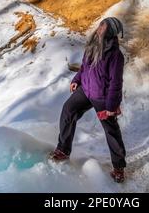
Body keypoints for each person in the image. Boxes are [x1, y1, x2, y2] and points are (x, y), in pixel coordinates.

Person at [49, 17, 127, 183]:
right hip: (85, 90)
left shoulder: (115, 56)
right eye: (100, 24)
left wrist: (111, 107)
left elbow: (116, 83)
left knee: (111, 130)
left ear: (110, 32)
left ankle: (119, 168)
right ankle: (63, 150)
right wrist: (77, 79)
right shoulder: (92, 45)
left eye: (103, 26)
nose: (99, 27)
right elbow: (85, 67)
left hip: (103, 97)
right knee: (68, 110)